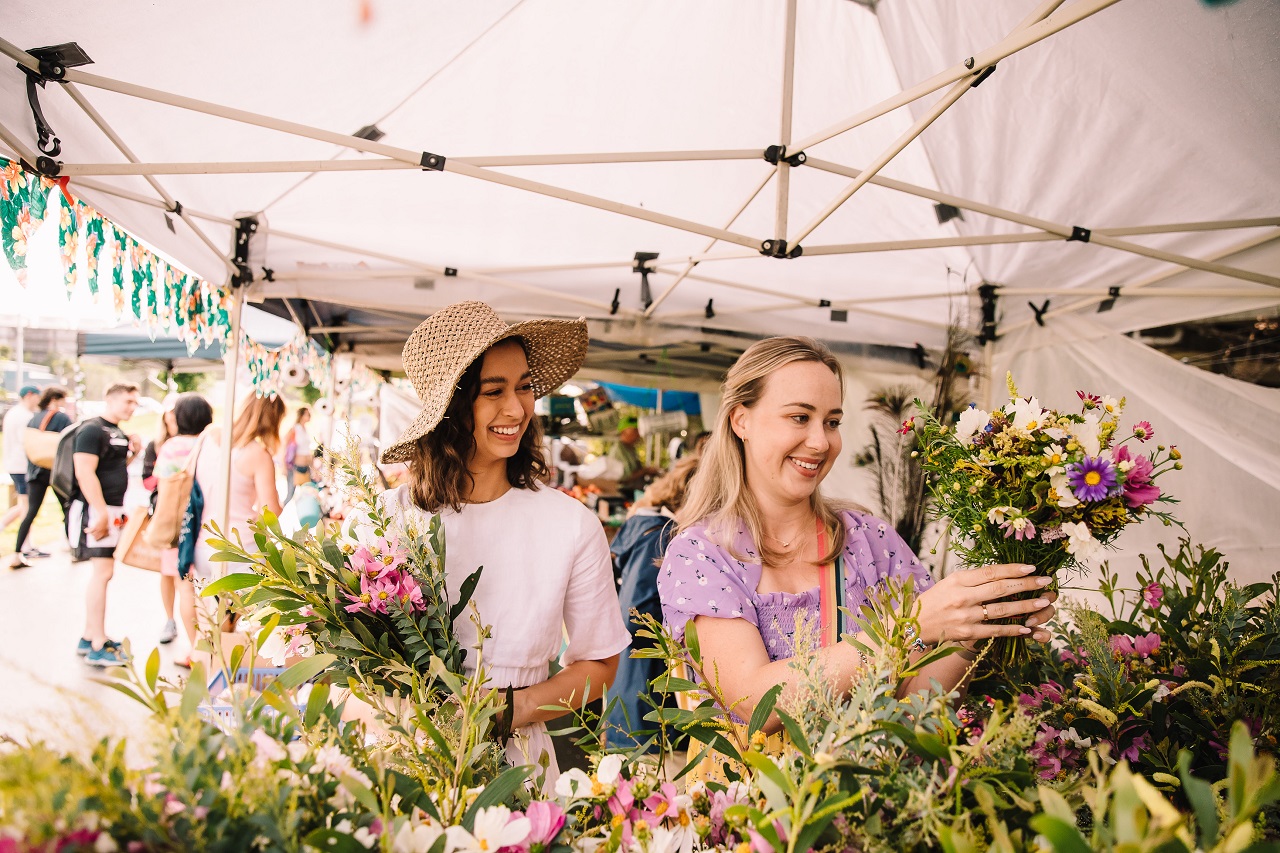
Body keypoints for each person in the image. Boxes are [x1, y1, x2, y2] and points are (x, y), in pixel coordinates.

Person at [657, 337, 1058, 732]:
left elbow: (918, 703)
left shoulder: (870, 540)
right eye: (800, 417)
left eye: (832, 422)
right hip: (755, 794)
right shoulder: (701, 554)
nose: (820, 442)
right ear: (741, 420)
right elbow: (757, 704)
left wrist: (971, 626)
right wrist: (909, 626)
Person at [378, 300, 630, 789]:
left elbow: (601, 663)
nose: (516, 409)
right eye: (493, 391)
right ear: (452, 406)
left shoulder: (569, 524)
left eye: (524, 387)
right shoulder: (391, 519)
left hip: (520, 766)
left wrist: (516, 707)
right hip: (409, 752)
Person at [604, 453, 701, 750]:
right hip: (648, 701)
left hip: (633, 691)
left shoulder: (645, 528)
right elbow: (635, 616)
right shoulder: (661, 537)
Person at [70, 383, 141, 667]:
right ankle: (98, 643)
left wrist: (135, 451)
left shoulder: (119, 433)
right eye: (127, 402)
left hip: (112, 509)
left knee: (105, 572)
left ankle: (90, 636)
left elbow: (115, 468)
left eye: (135, 403)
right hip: (96, 509)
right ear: (109, 399)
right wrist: (98, 511)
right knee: (102, 572)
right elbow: (84, 472)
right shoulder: (91, 430)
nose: (132, 407)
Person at [152, 393, 214, 666]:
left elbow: (162, 484)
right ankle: (215, 648)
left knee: (185, 586)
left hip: (180, 527)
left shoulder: (171, 446)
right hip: (209, 524)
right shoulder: (212, 444)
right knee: (210, 589)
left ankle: (196, 651)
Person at [195, 394, 286, 579]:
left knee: (208, 606)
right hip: (240, 549)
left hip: (202, 545)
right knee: (247, 608)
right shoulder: (259, 454)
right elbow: (270, 512)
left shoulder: (209, 435)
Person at [9, 387, 72, 570]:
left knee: (30, 512)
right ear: (55, 399)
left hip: (35, 471)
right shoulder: (61, 417)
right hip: (55, 471)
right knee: (67, 508)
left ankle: (16, 553)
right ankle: (74, 548)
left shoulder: (33, 418)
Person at [143, 404, 180, 643]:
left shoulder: (200, 444)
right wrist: (167, 472)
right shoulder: (156, 446)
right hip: (165, 515)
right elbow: (146, 482)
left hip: (187, 516)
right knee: (167, 572)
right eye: (169, 419)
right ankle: (169, 619)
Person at [2, 385, 41, 554]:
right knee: (27, 506)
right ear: (30, 395)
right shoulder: (24, 416)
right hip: (22, 466)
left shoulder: (13, 413)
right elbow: (28, 442)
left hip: (14, 464)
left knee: (24, 504)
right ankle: (26, 545)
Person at [283, 406, 312, 504]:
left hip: (306, 467)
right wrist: (283, 465)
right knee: (290, 495)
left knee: (307, 493)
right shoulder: (295, 429)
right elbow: (284, 445)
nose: (309, 416)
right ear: (302, 415)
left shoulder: (305, 429)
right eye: (307, 414)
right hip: (295, 466)